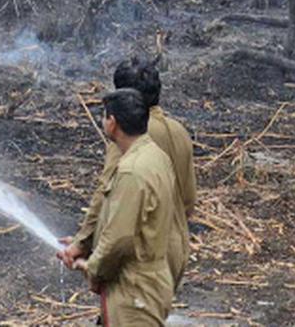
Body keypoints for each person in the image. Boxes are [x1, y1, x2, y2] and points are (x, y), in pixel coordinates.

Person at [59, 57, 196, 288]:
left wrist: (83, 243)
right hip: (176, 248)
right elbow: (189, 201)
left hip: (144, 259)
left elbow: (106, 194)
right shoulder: (179, 131)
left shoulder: (132, 139)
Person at [62, 89, 178, 326]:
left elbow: (120, 237)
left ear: (112, 123)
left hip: (134, 291)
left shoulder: (131, 171)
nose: (103, 122)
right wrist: (83, 244)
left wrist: (90, 266)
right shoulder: (155, 155)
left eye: (104, 117)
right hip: (149, 281)